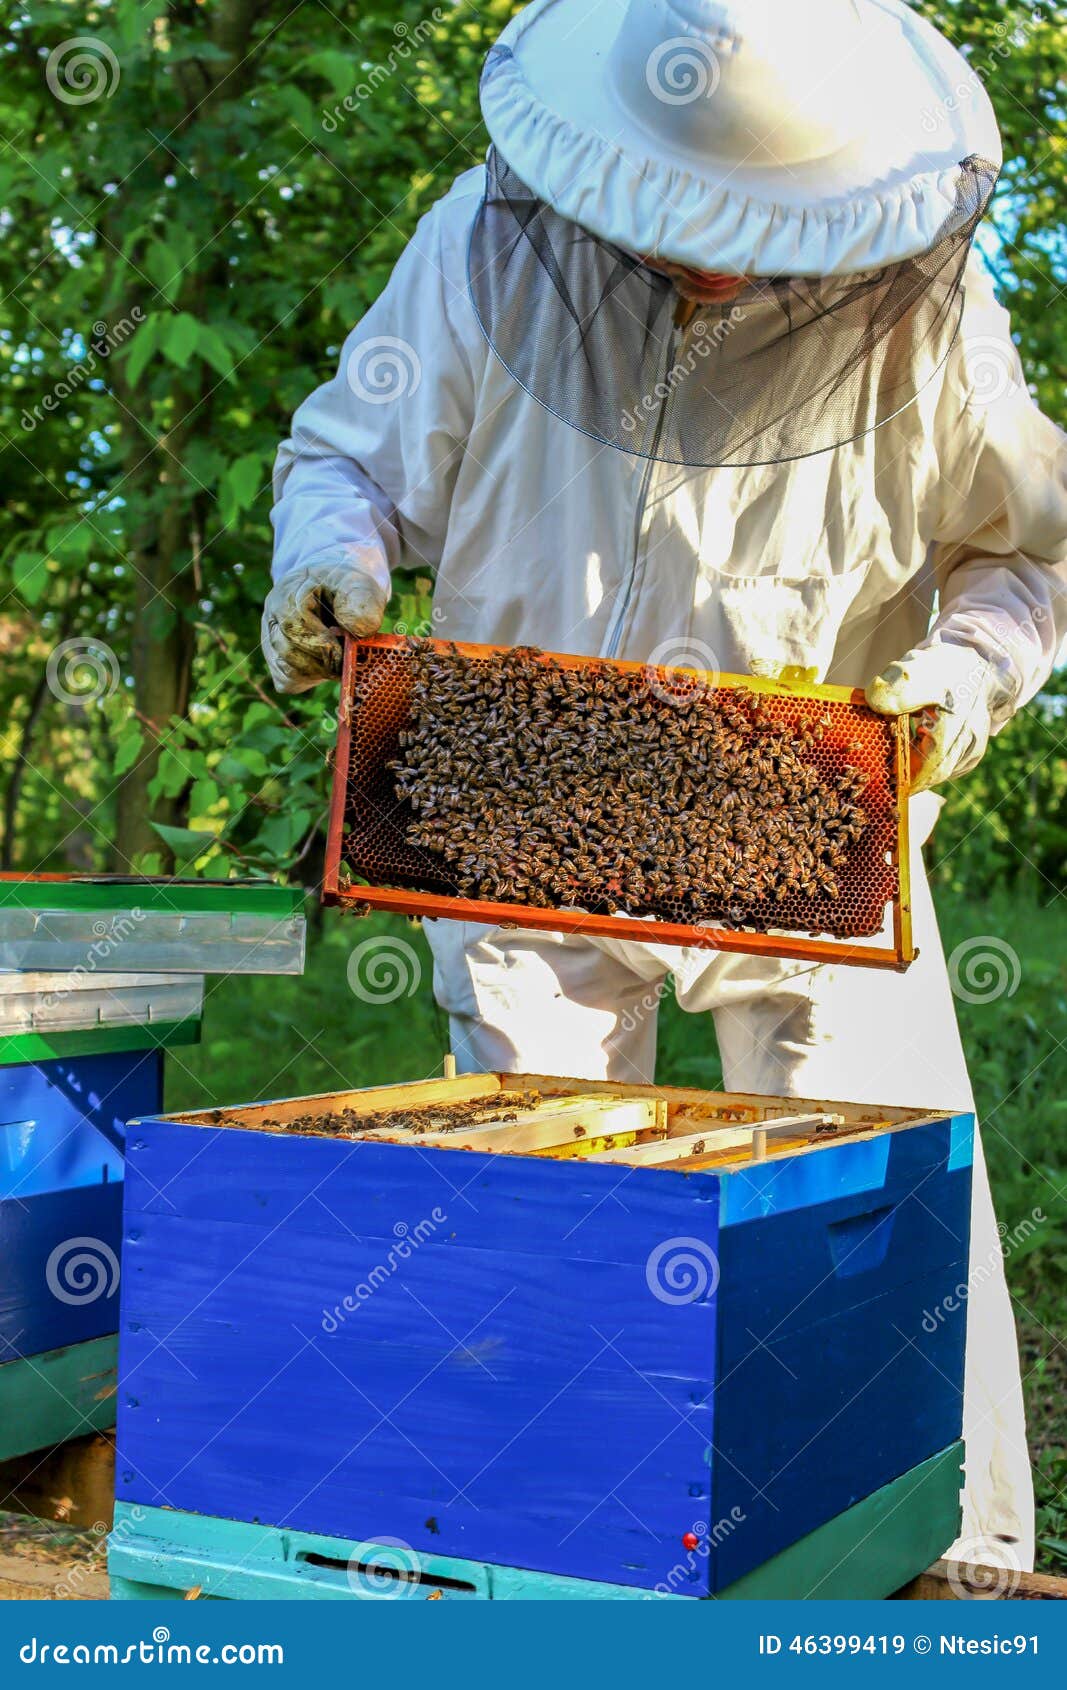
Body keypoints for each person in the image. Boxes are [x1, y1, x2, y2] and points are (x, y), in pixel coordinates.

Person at [263, 0, 1067, 1569]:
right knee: (539, 1225)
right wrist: (329, 565)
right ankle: (559, 1546)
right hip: (512, 834)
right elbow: (348, 456)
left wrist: (952, 685)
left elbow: (1029, 556)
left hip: (808, 838)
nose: (701, 253)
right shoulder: (488, 243)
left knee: (871, 1220)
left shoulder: (930, 313)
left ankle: (931, 1564)